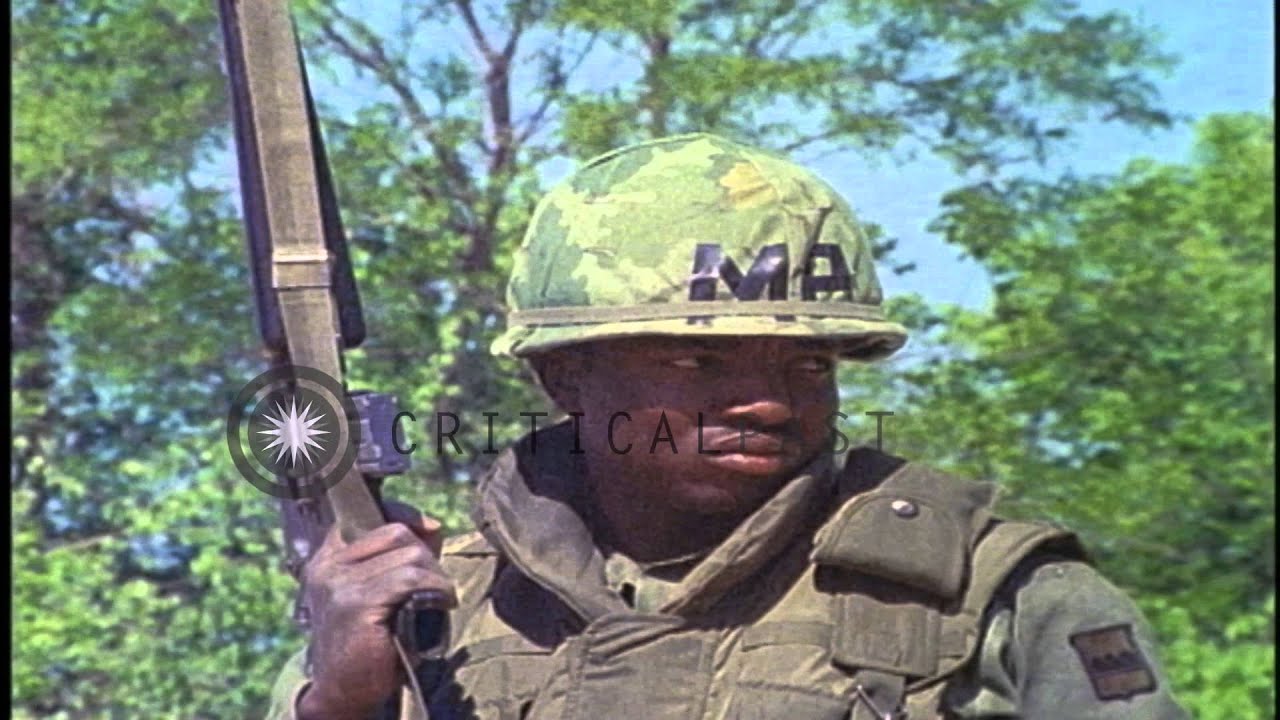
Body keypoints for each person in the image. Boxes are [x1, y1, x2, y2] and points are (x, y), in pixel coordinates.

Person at [266, 133, 1188, 719]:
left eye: (808, 364)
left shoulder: (989, 597)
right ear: (563, 376)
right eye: (700, 362)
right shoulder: (425, 613)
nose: (774, 402)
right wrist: (342, 704)